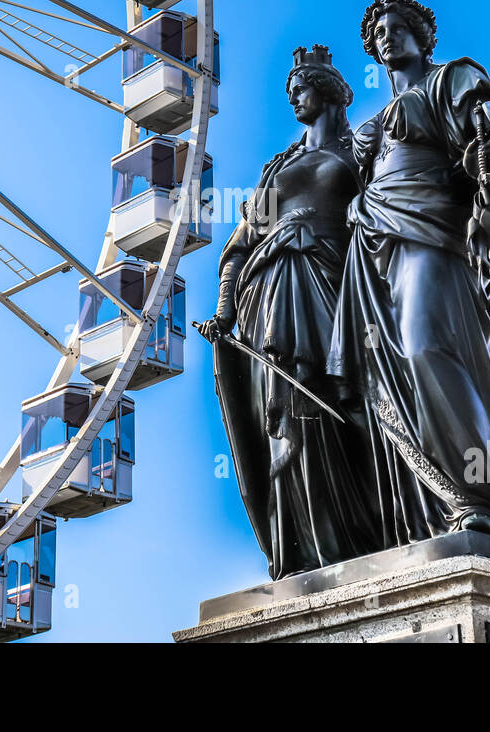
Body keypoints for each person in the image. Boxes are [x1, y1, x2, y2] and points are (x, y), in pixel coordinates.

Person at [327, 0, 490, 554]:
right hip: (374, 247)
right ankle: (439, 504)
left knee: (426, 348)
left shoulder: (449, 79)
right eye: (379, 33)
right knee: (388, 378)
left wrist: (486, 207)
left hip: (432, 230)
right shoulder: (370, 125)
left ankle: (483, 498)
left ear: (421, 36)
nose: (388, 37)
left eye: (398, 27)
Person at [201, 45, 383, 579]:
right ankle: (302, 545)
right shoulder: (277, 167)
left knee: (340, 403)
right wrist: (224, 312)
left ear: (326, 89)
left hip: (336, 284)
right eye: (289, 91)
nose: (293, 98)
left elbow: (389, 213)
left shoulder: (360, 152)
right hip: (271, 294)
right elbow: (240, 245)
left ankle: (361, 532)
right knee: (287, 415)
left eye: (300, 88)